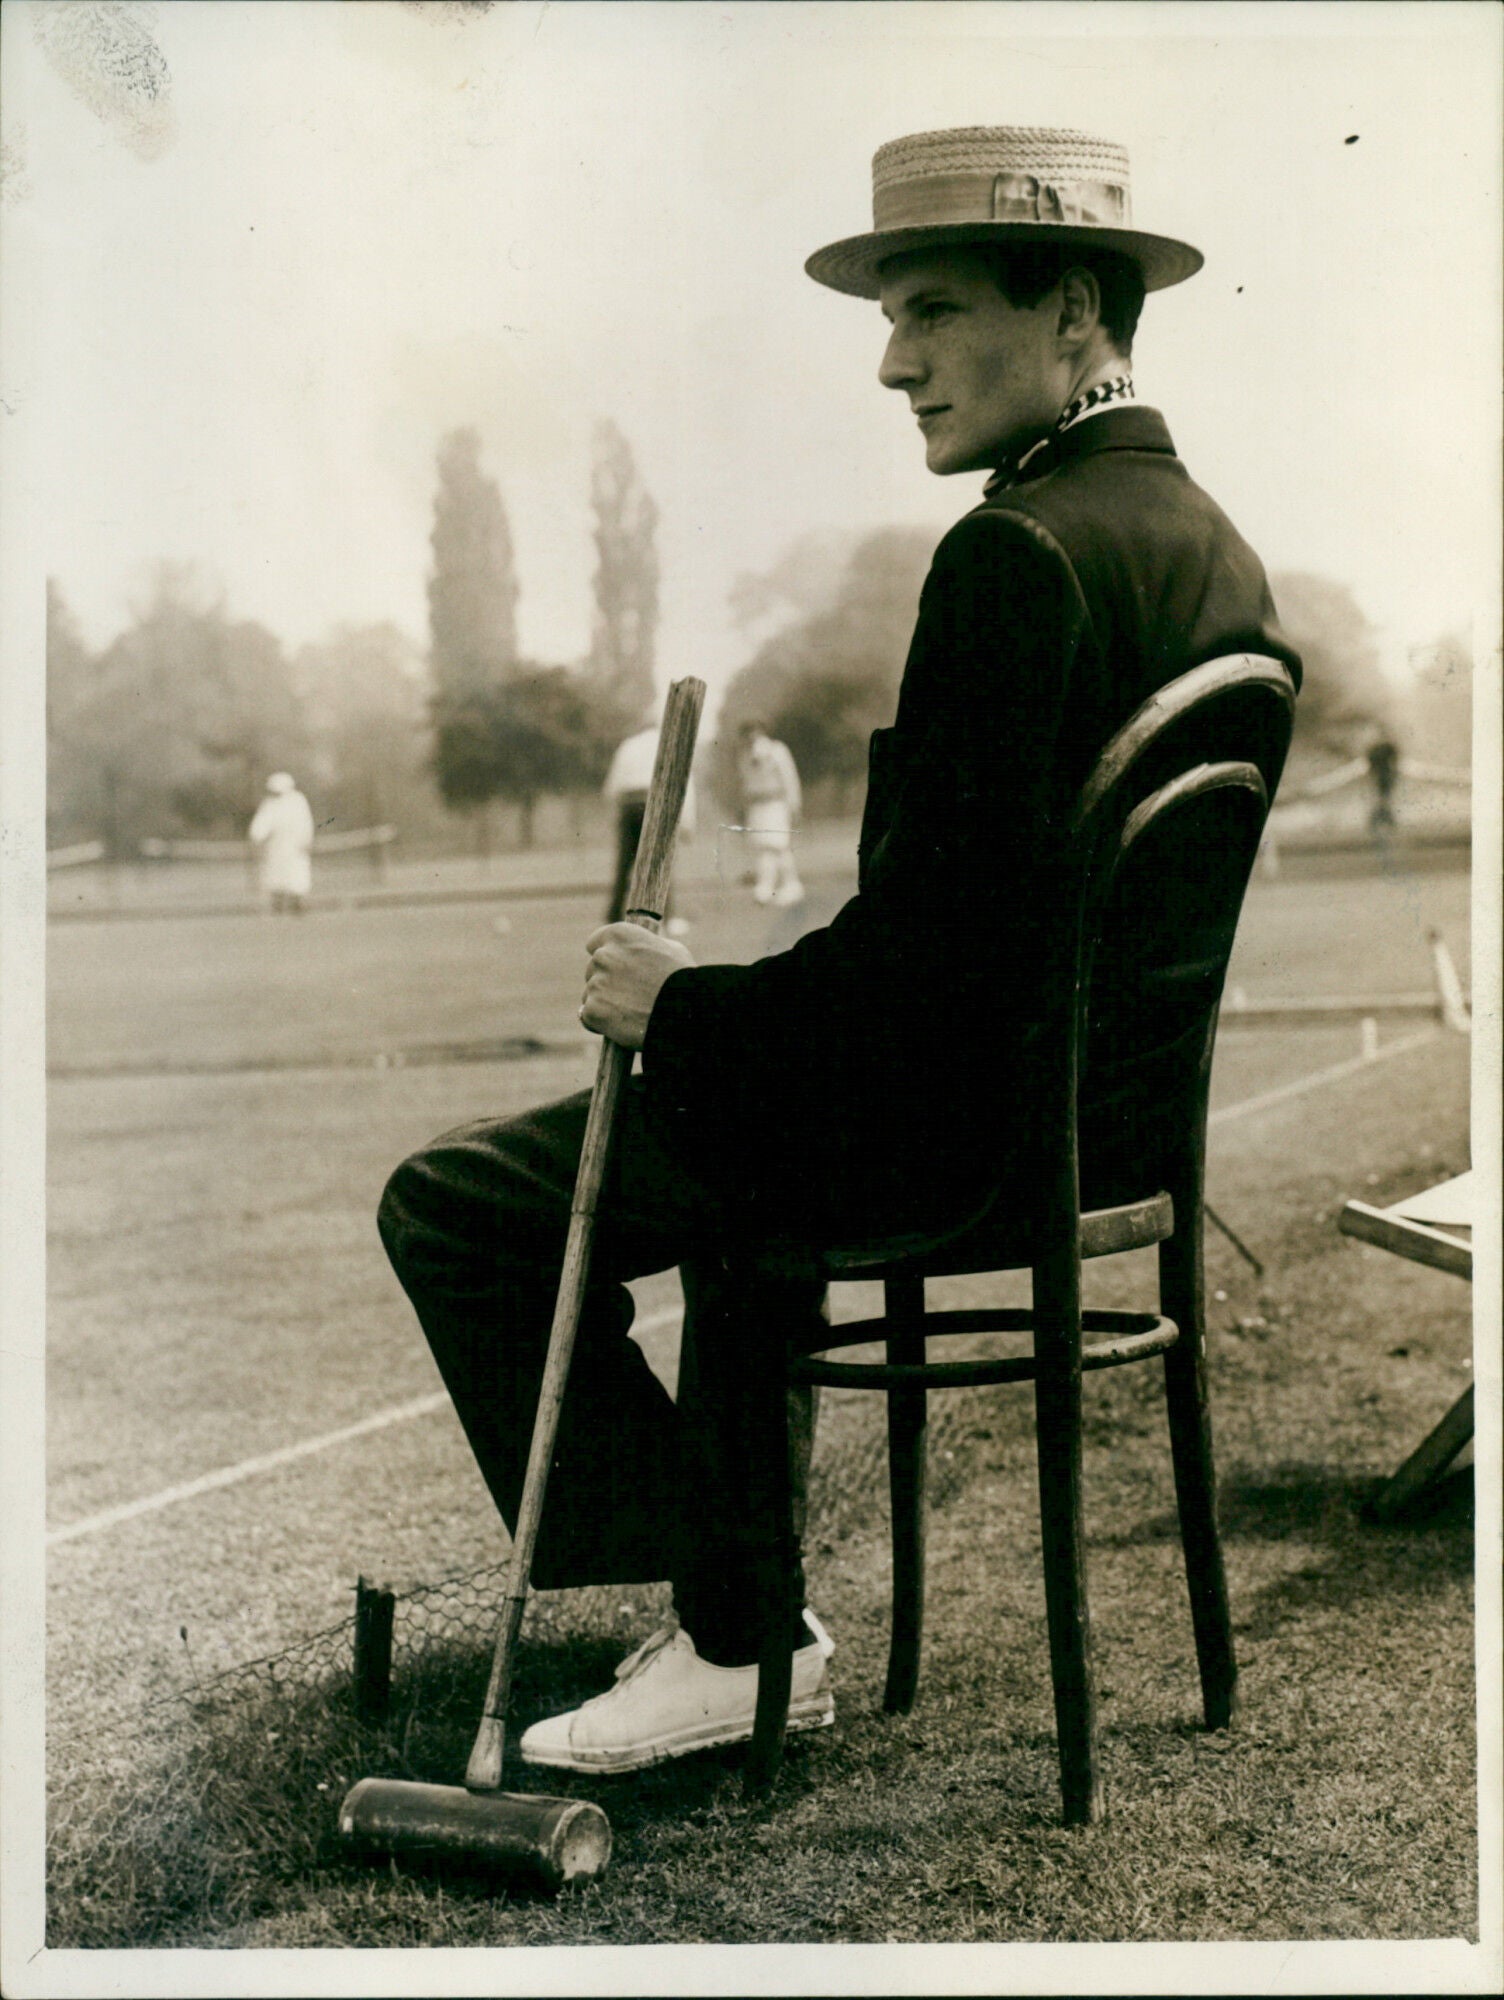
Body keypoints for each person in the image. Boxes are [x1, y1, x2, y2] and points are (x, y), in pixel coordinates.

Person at [378, 125, 1301, 1774]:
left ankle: (736, 1627)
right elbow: (975, 936)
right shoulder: (1208, 544)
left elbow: (924, 978)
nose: (893, 364)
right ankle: (733, 1610)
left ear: (1074, 306)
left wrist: (684, 1002)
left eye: (930, 311)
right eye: (889, 323)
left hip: (954, 1133)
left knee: (453, 1205)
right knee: (736, 1135)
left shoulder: (1014, 553)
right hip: (1095, 1128)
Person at [602, 719, 695, 931]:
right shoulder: (669, 744)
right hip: (655, 800)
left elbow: (612, 786)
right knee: (660, 863)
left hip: (629, 804)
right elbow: (684, 784)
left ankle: (613, 917)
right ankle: (669, 918)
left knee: (625, 863)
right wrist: (687, 821)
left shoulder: (628, 745)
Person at [736, 718, 805, 907]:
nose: (751, 736)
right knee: (762, 846)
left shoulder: (777, 750)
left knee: (777, 844)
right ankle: (767, 887)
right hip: (756, 805)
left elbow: (789, 779)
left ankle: (788, 886)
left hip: (775, 803)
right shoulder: (744, 755)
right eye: (747, 732)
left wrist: (794, 805)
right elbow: (745, 783)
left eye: (755, 731)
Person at [248, 771, 314, 914]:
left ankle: (297, 904)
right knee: (275, 876)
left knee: (297, 875)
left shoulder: (298, 801)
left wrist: (306, 840)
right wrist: (256, 837)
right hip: (276, 846)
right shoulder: (269, 803)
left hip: (296, 846)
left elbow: (306, 823)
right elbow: (261, 825)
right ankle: (277, 906)